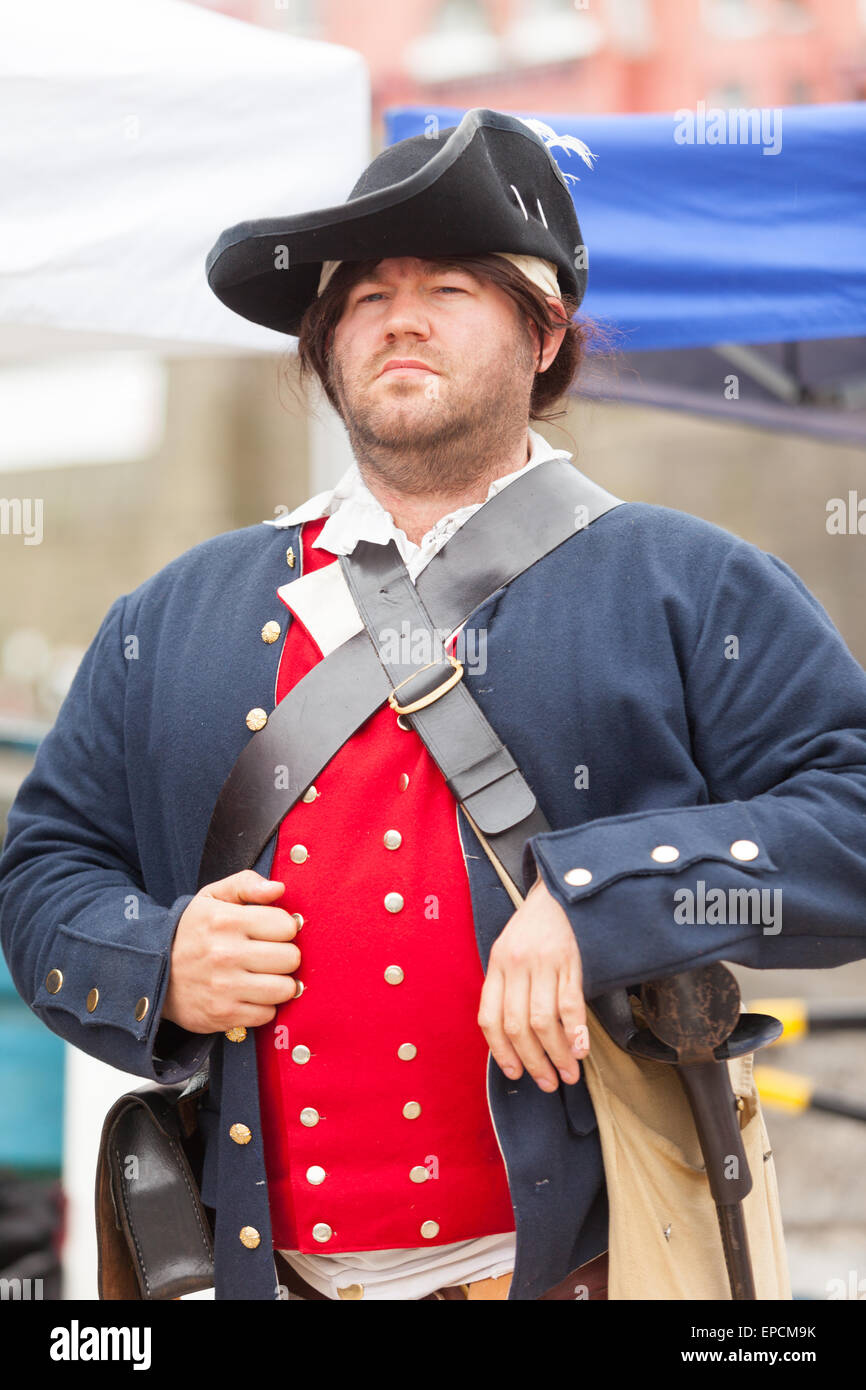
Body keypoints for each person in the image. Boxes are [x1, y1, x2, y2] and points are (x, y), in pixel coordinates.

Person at [2, 109, 866, 1302]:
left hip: (597, 1274)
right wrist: (159, 961)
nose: (399, 315)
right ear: (326, 342)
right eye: (364, 296)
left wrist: (595, 899)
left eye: (450, 285)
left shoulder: (688, 581)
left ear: (543, 327)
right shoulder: (175, 611)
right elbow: (44, 870)